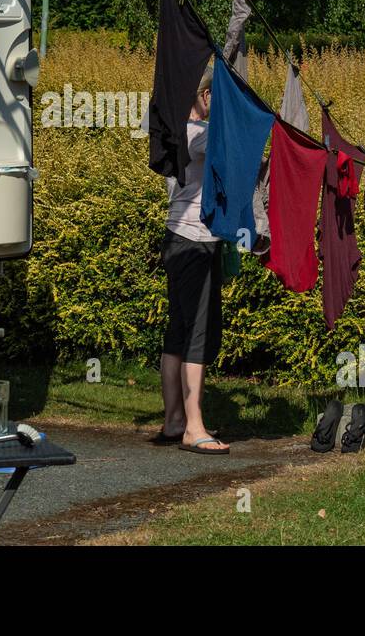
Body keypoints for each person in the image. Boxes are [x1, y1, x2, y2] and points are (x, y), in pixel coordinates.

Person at [154, 65, 229, 454]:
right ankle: (194, 427)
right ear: (204, 96)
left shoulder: (175, 134)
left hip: (177, 239)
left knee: (179, 331)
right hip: (194, 242)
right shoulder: (196, 134)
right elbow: (227, 138)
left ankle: (173, 420)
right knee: (197, 332)